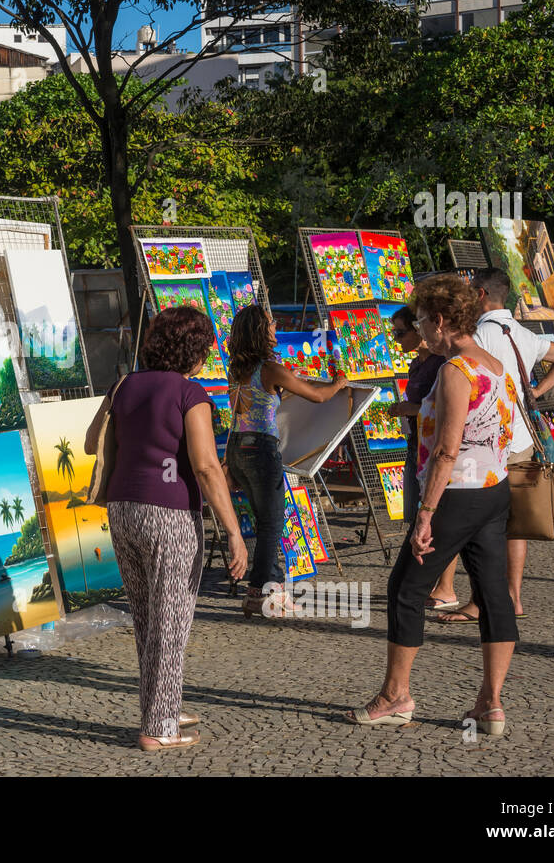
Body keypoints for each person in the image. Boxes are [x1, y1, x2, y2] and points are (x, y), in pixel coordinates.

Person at [351, 274, 519, 734]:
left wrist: (425, 513)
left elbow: (447, 449)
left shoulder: (455, 371)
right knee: (492, 593)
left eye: (421, 320)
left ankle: (395, 695)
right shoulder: (490, 363)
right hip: (493, 488)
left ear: (440, 320)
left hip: (457, 494)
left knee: (406, 588)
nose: (418, 329)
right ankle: (491, 702)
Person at [84, 305, 248, 752]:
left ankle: (164, 706)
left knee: (147, 617)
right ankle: (159, 728)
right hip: (169, 513)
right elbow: (206, 467)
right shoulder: (190, 394)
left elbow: (88, 442)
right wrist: (233, 532)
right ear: (195, 352)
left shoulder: (124, 385)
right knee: (171, 620)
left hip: (122, 508)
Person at [434, 267, 554, 625]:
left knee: (479, 523)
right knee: (515, 524)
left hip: (488, 443)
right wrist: (536, 393)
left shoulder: (478, 337)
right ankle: (513, 597)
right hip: (522, 438)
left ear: (481, 294)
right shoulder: (522, 333)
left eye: (470, 291)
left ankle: (474, 598)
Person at [225, 304, 348, 617]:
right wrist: (338, 384)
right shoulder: (270, 368)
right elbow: (317, 396)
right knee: (272, 524)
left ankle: (273, 586)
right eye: (271, 323)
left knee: (264, 520)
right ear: (260, 331)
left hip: (239, 447)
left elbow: (241, 412)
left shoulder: (238, 368)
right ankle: (259, 593)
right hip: (261, 450)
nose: (275, 327)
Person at [384, 305, 451, 609]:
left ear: (418, 330)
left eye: (400, 332)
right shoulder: (416, 365)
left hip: (435, 446)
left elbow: (443, 408)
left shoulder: (442, 364)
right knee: (414, 515)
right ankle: (421, 582)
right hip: (416, 443)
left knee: (433, 516)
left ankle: (440, 585)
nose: (396, 339)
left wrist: (411, 409)